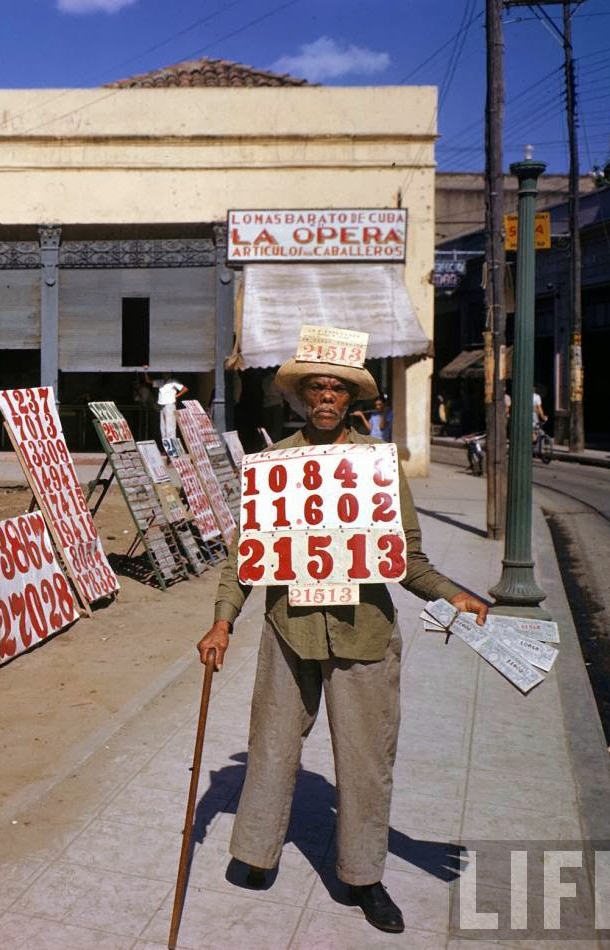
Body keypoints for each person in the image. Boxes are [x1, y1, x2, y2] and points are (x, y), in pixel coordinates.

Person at [196, 329, 489, 935]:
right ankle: (255, 853)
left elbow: (405, 559)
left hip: (365, 634)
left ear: (351, 398)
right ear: (301, 397)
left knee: (364, 760)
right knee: (273, 746)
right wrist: (222, 622)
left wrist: (453, 592)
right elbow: (245, 555)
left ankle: (363, 877)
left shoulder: (375, 468)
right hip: (288, 628)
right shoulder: (275, 466)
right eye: (316, 387)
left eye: (336, 388)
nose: (325, 396)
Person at [144, 366, 187, 454]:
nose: (165, 374)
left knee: (170, 428)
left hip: (170, 405)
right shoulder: (161, 382)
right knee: (163, 428)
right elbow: (148, 381)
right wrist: (145, 371)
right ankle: (167, 450)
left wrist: (176, 396)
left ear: (170, 373)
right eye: (164, 373)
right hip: (162, 405)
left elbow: (184, 389)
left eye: (167, 373)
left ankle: (172, 451)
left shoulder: (173, 381)